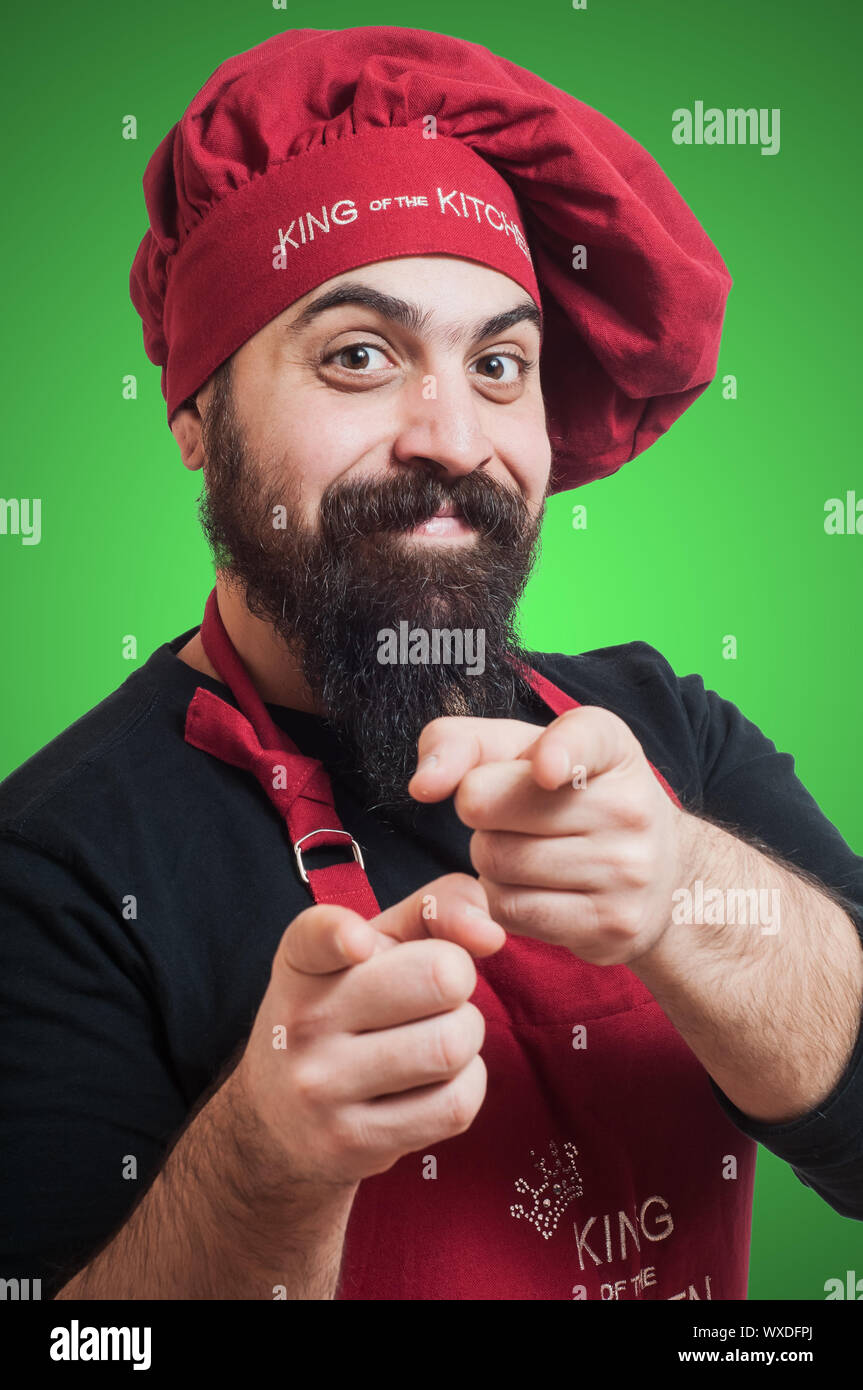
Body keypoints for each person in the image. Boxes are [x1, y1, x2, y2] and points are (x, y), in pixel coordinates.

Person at [1, 26, 862, 1303]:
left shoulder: (662, 731)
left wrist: (687, 892)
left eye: (498, 365)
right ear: (197, 411)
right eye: (360, 355)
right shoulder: (57, 866)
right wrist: (264, 1166)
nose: (454, 439)